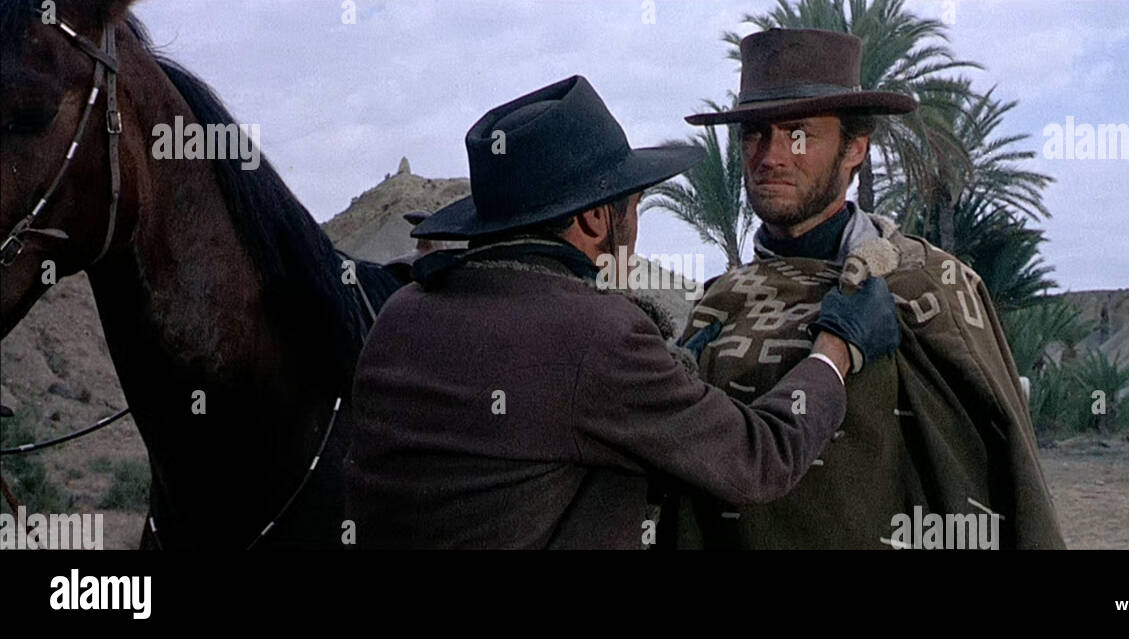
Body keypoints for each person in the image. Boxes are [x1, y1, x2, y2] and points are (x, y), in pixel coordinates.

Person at [343, 75, 901, 549]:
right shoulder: (595, 335)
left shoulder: (402, 313)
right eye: (632, 207)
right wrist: (835, 348)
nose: (634, 230)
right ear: (595, 220)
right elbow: (760, 460)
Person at [669, 29, 1066, 549]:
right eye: (754, 134)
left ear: (855, 148)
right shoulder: (716, 305)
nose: (770, 156)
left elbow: (1008, 470)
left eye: (798, 134)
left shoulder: (932, 288)